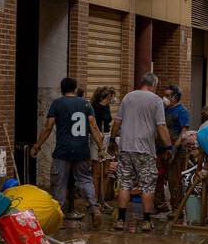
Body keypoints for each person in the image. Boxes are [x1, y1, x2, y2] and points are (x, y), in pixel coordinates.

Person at [30, 78, 106, 226]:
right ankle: (94, 207)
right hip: (82, 150)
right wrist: (101, 148)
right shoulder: (86, 104)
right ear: (75, 88)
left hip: (63, 150)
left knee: (59, 182)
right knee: (85, 179)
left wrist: (37, 145)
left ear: (62, 89)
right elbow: (94, 127)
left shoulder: (57, 104)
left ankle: (58, 215)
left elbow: (48, 127)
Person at [110, 73, 171, 232]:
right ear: (154, 84)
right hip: (145, 150)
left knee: (124, 183)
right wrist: (169, 145)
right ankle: (146, 221)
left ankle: (121, 220)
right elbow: (161, 126)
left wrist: (111, 139)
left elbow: (117, 121)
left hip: (126, 148)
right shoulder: (156, 100)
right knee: (147, 186)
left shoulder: (127, 97)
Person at [160, 85, 190, 217]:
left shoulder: (182, 111)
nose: (165, 98)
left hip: (175, 149)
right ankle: (160, 205)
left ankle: (177, 208)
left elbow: (183, 133)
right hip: (161, 148)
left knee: (174, 180)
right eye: (164, 95)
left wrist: (174, 148)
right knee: (158, 177)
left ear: (176, 97)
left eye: (168, 95)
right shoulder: (163, 110)